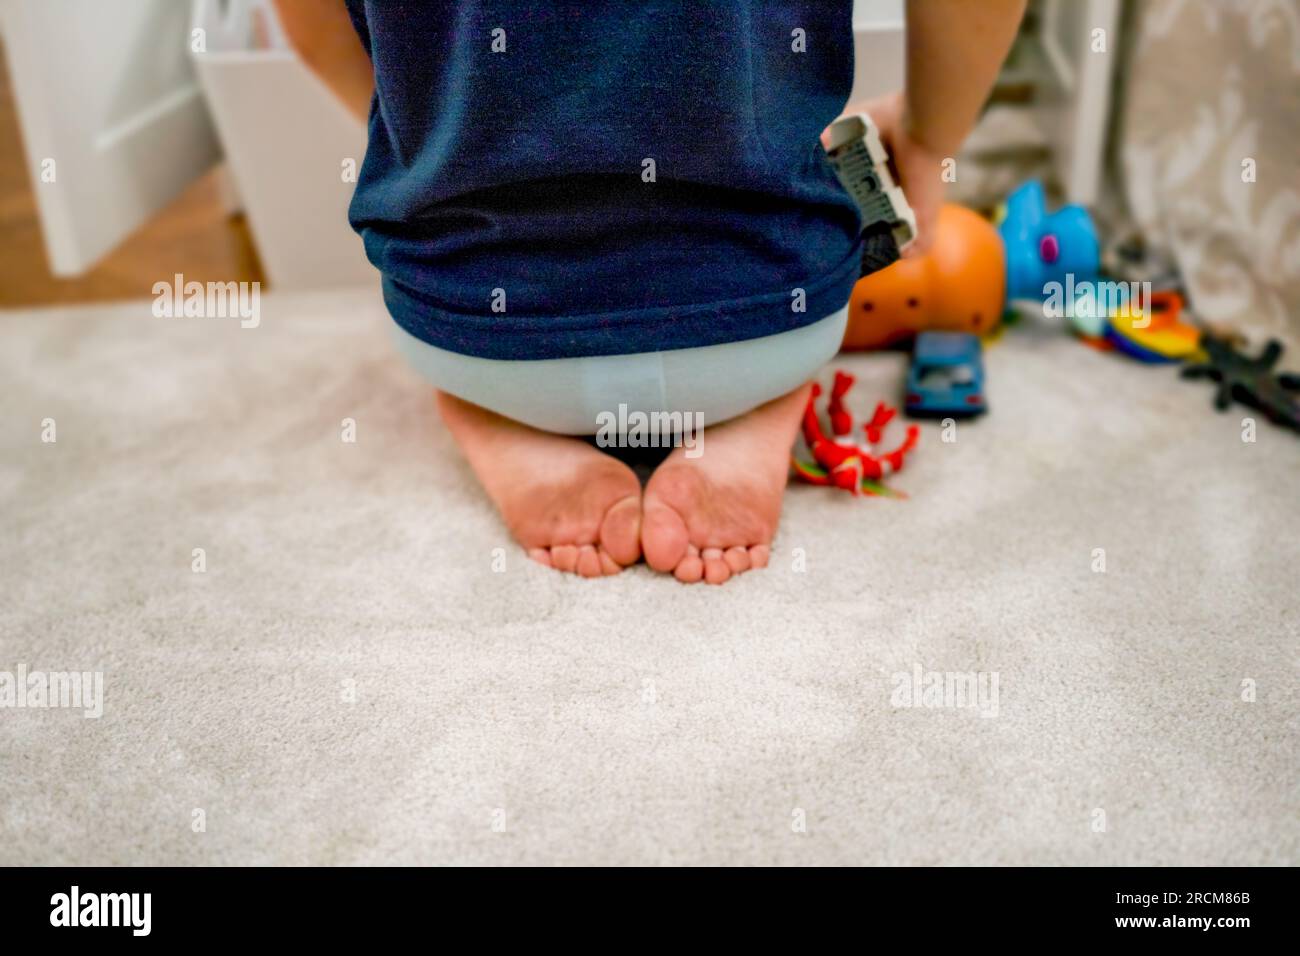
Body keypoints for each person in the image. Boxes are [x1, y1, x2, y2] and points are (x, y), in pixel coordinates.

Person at [276, 0, 1026, 584]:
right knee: (788, 276)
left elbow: (308, 27)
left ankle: (504, 420)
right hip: (769, 319)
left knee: (479, 335)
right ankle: (758, 411)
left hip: (466, 322)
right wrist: (928, 138)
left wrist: (419, 143)